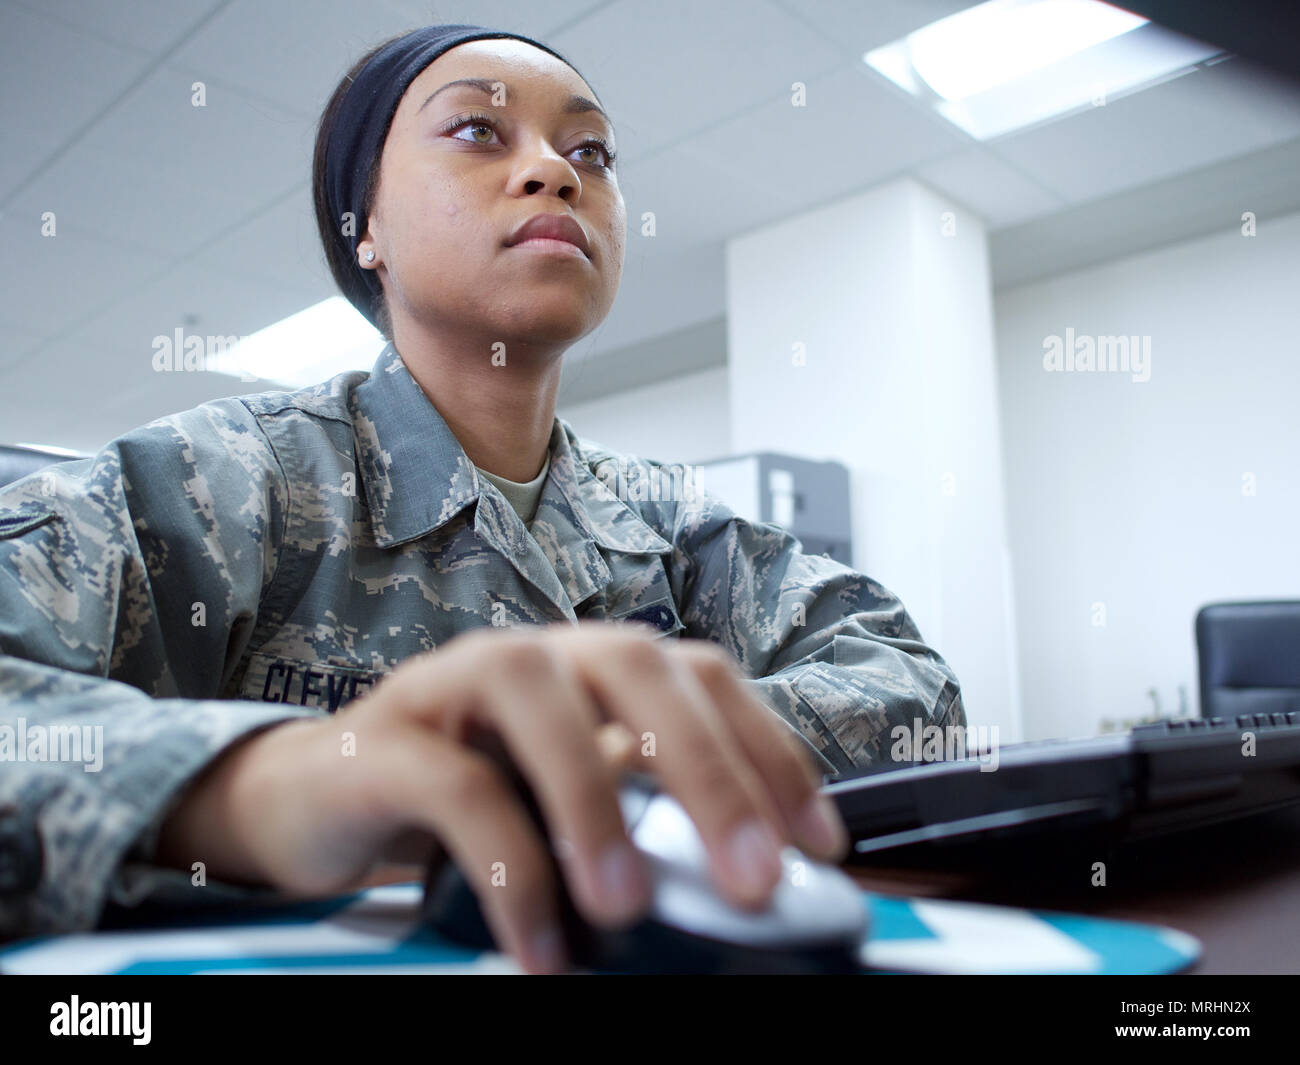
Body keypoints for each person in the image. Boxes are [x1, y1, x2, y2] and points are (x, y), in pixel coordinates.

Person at [0, 24, 964, 974]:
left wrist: (632, 762)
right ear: (363, 228)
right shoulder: (221, 479)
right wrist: (258, 785)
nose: (555, 171)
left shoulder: (667, 519)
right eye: (476, 131)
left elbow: (911, 683)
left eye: (590, 148)